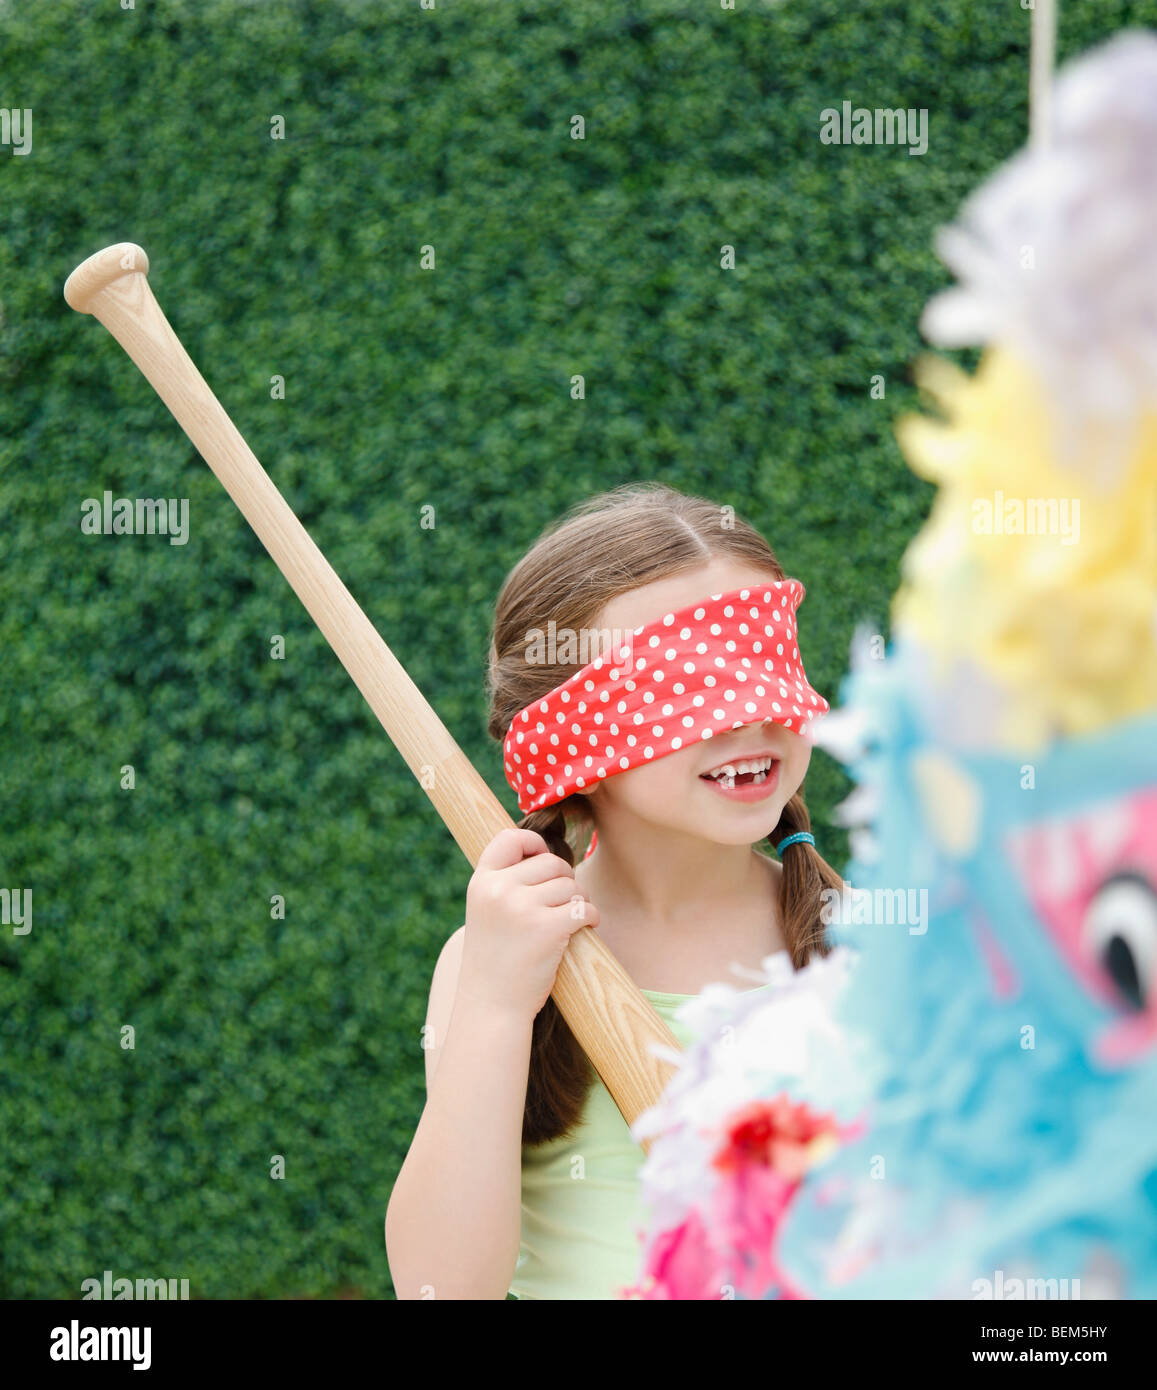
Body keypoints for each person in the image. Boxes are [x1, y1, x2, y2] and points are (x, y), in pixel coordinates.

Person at [385, 482, 842, 1299]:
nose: (746, 716)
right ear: (565, 738)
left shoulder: (861, 957)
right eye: (685, 687)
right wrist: (492, 1002)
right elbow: (442, 1288)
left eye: (760, 664)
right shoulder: (498, 965)